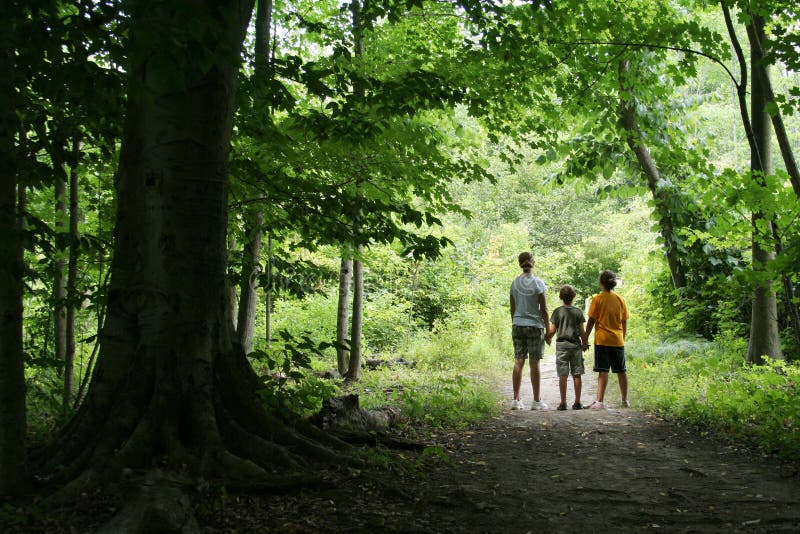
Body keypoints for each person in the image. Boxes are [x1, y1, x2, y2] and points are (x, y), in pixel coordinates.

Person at [582, 270, 630, 409]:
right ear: (614, 283)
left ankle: (600, 401)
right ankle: (625, 400)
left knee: (603, 371)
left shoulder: (597, 299)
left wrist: (585, 338)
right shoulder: (621, 300)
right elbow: (624, 321)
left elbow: (591, 320)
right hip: (617, 340)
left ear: (600, 283)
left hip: (602, 340)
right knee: (621, 371)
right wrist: (623, 337)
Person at [509, 252, 549, 410]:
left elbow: (512, 308)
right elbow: (544, 309)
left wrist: (515, 323)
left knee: (519, 361)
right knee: (534, 363)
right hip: (534, 326)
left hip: (518, 324)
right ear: (533, 263)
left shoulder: (514, 283)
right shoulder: (538, 283)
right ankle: (536, 401)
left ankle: (516, 400)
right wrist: (548, 330)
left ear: (520, 264)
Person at [545, 285, 587, 410]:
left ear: (560, 297)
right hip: (575, 346)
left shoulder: (558, 312)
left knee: (563, 375)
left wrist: (547, 337)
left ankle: (563, 403)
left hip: (562, 346)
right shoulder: (578, 312)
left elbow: (552, 331)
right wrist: (585, 342)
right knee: (577, 374)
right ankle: (577, 402)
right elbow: (582, 331)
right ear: (574, 296)